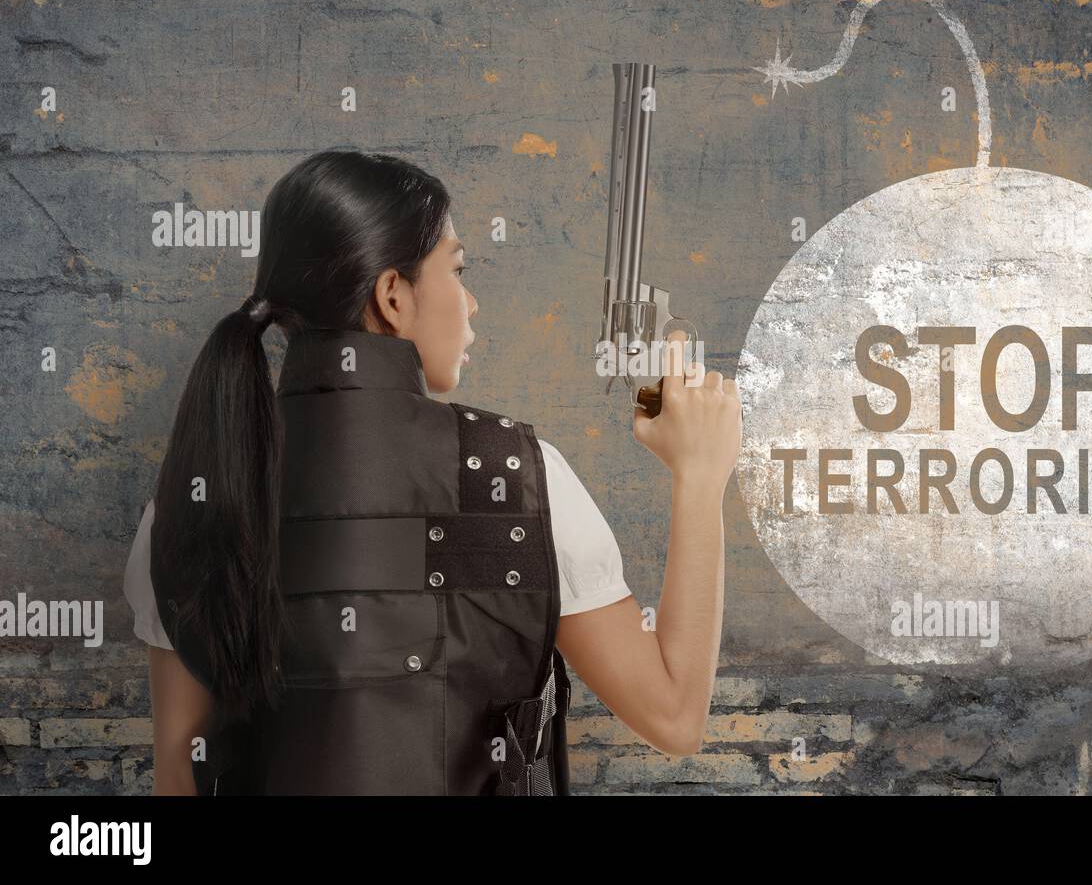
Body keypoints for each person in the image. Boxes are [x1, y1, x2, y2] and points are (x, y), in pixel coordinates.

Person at [121, 149, 742, 794]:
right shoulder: (523, 478)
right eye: (457, 269)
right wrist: (698, 478)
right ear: (393, 295)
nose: (470, 302)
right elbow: (674, 717)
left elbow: (178, 779)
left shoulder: (195, 495)